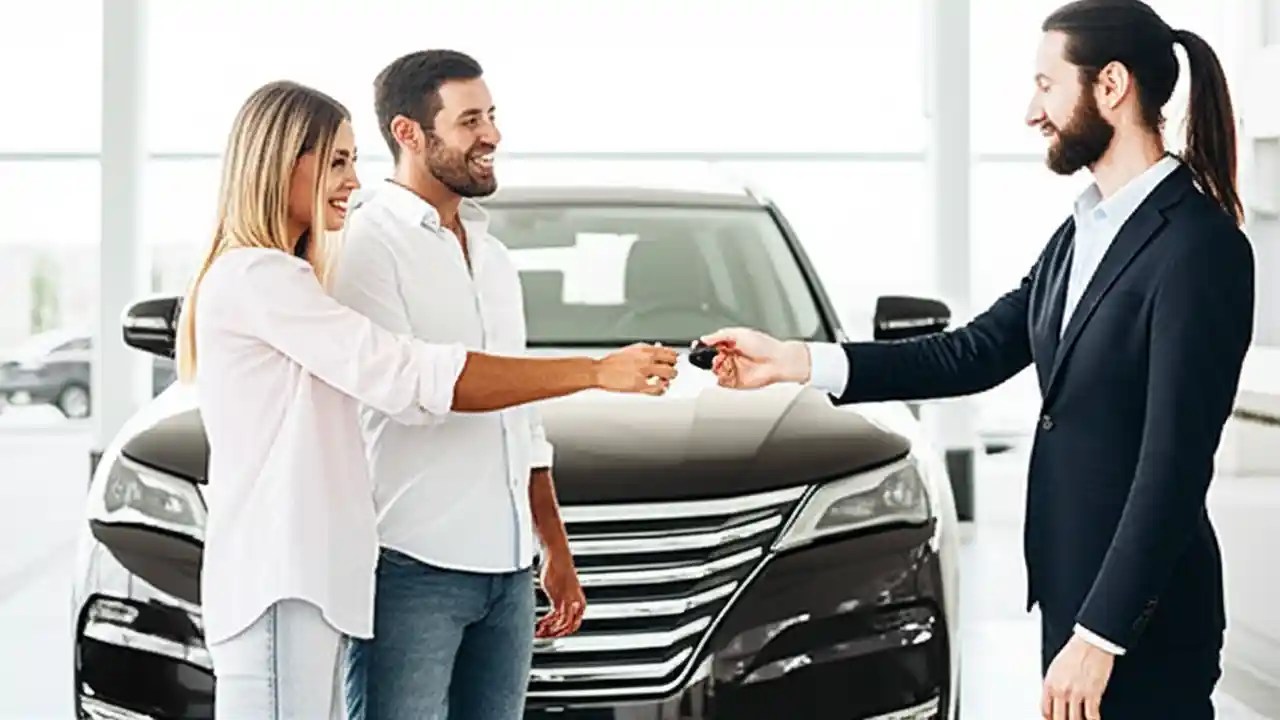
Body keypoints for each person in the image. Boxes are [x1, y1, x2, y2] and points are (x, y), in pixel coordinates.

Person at [700, 2, 1253, 719]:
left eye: (1046, 84)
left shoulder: (1198, 248)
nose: (1032, 111)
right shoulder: (1081, 233)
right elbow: (974, 351)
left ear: (1110, 85)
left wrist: (1103, 634)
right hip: (1078, 595)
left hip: (1139, 619)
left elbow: (1174, 465)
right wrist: (797, 362)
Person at [176, 80, 678, 718]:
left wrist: (549, 538)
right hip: (284, 578)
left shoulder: (288, 278)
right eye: (336, 160)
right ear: (280, 162)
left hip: (313, 580)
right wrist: (595, 371)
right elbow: (408, 375)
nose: (353, 181)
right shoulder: (259, 277)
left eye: (353, 160)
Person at [331, 49, 600, 720]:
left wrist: (553, 548)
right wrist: (597, 374)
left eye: (493, 116)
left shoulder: (492, 255)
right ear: (409, 134)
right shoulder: (367, 246)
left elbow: (520, 418)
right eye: (470, 120)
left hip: (506, 575)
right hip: (410, 567)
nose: (492, 136)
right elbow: (421, 391)